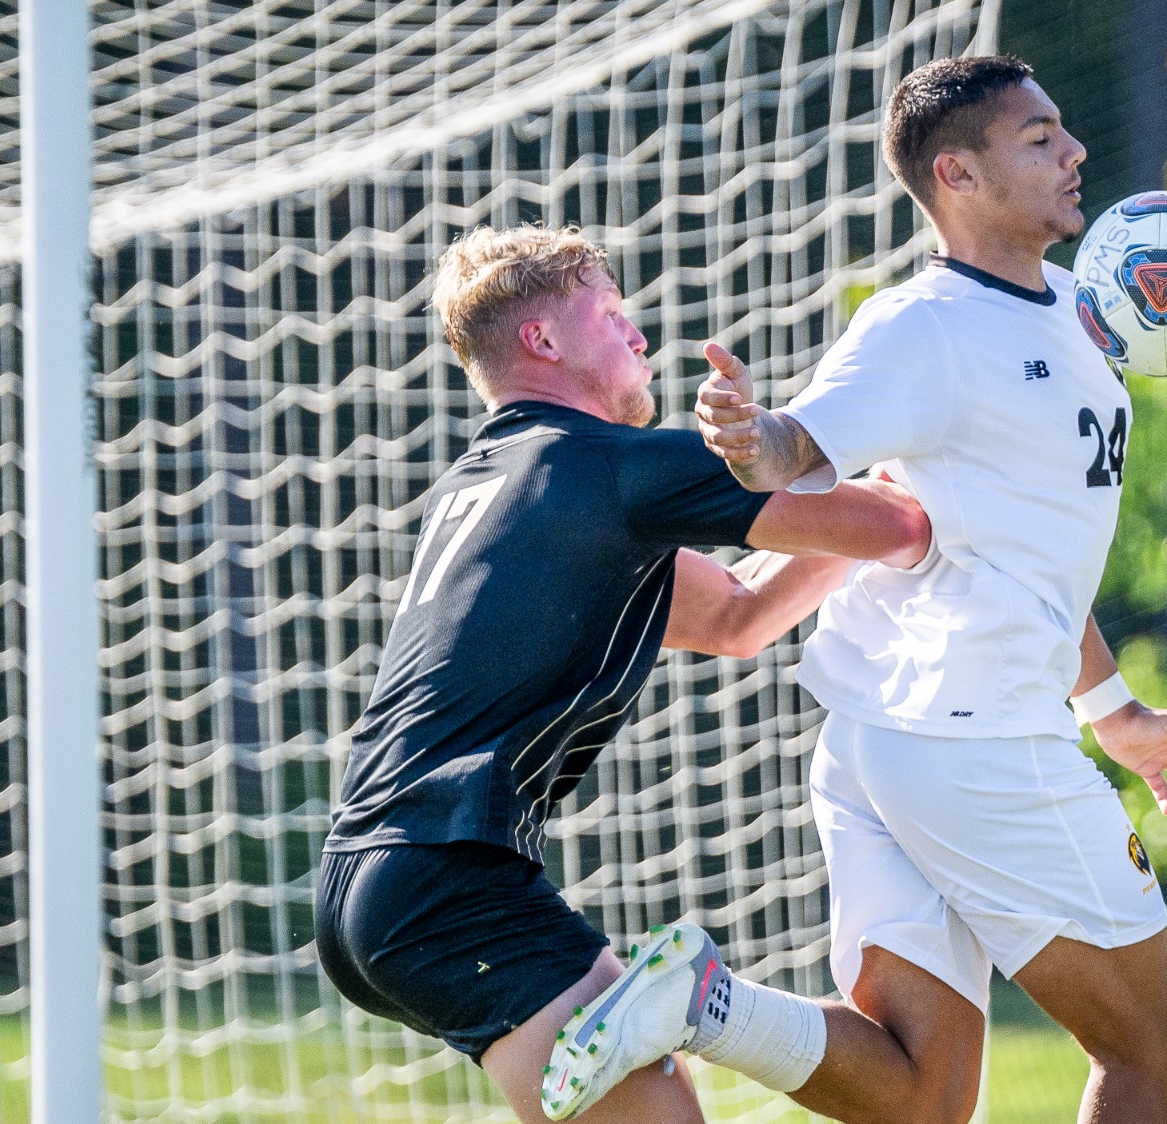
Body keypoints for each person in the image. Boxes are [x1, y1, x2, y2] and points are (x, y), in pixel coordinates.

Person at [546, 55, 1167, 1124]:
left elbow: (1030, 554)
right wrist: (748, 435)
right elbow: (794, 448)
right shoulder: (921, 327)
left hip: (881, 745)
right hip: (980, 751)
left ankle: (705, 1001)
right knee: (1155, 1044)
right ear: (956, 175)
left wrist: (1114, 711)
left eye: (1064, 129)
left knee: (921, 1095)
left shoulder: (1084, 312)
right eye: (1038, 136)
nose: (1075, 150)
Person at [314, 224, 936, 1124]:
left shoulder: (495, 480)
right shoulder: (609, 466)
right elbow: (902, 532)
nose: (641, 335)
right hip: (449, 875)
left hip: (366, 881)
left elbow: (733, 616)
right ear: (543, 341)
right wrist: (930, 458)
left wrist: (869, 504)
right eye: (612, 315)